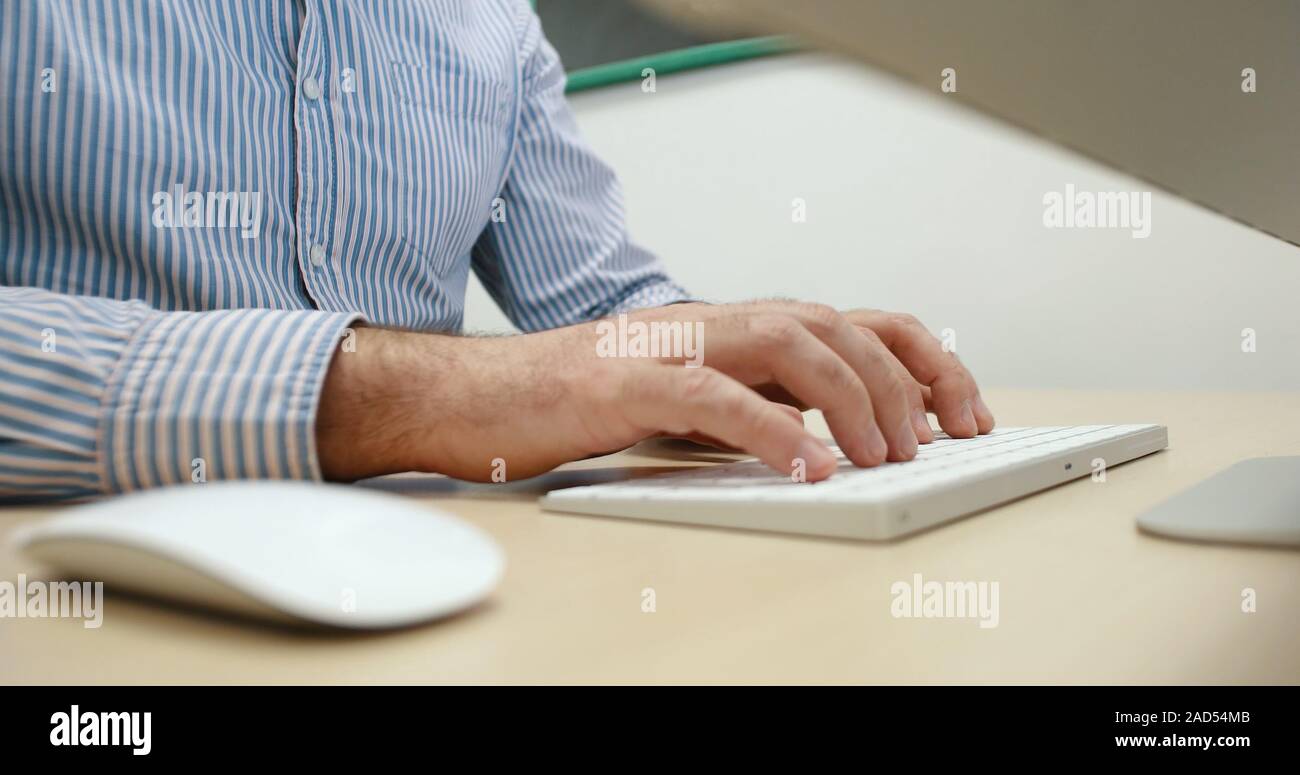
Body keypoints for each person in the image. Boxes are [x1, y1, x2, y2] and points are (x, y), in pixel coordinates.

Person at [0, 0, 994, 503]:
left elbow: (600, 311)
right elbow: (522, 380)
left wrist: (737, 357)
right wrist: (418, 397)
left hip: (435, 587)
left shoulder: (493, 22)